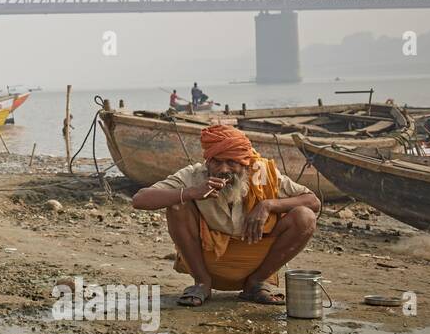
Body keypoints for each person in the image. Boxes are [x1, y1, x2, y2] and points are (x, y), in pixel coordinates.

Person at [131, 125, 321, 307]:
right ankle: (201, 284)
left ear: (246, 164)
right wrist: (191, 192)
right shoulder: (193, 175)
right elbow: (139, 199)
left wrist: (268, 205)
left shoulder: (263, 173)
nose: (223, 170)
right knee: (177, 205)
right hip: (208, 262)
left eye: (232, 162)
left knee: (304, 217)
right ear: (208, 162)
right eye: (217, 161)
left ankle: (255, 284)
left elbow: (313, 202)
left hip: (256, 260)